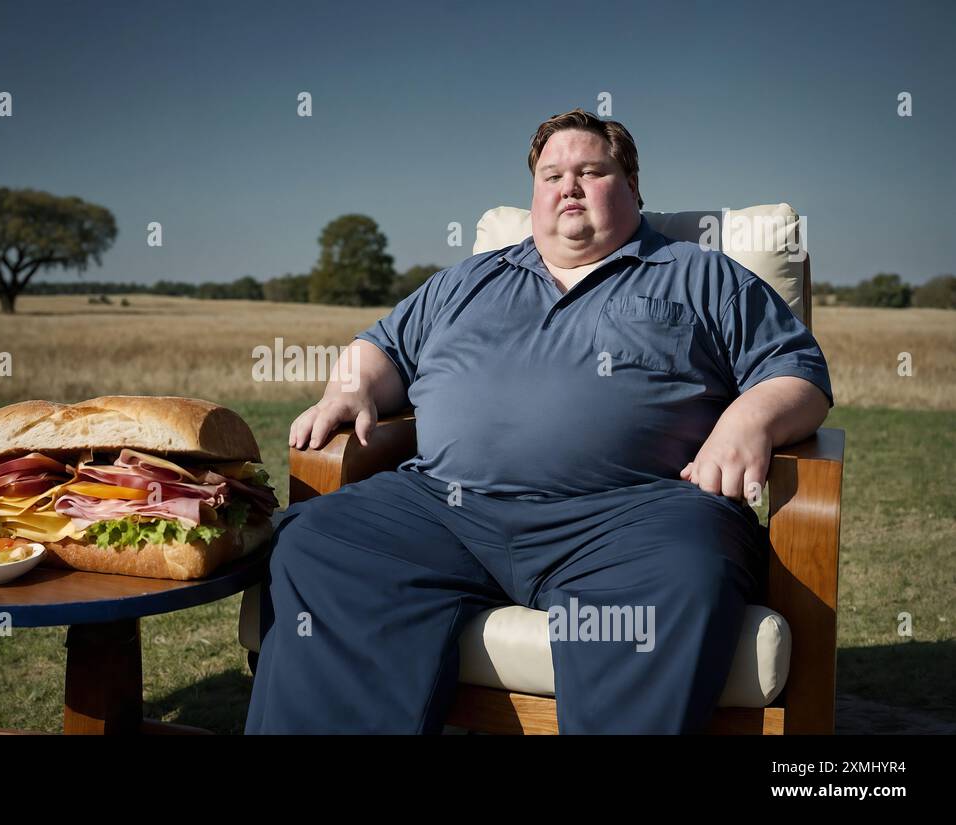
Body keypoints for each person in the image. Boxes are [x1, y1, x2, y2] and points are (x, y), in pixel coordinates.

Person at [244, 108, 833, 734]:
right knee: (321, 541)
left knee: (680, 576)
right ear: (534, 195)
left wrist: (749, 421)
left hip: (633, 519)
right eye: (551, 174)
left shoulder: (701, 274)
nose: (568, 186)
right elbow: (383, 347)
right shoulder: (466, 281)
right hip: (447, 509)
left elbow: (796, 373)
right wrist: (351, 386)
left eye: (591, 171)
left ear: (633, 186)